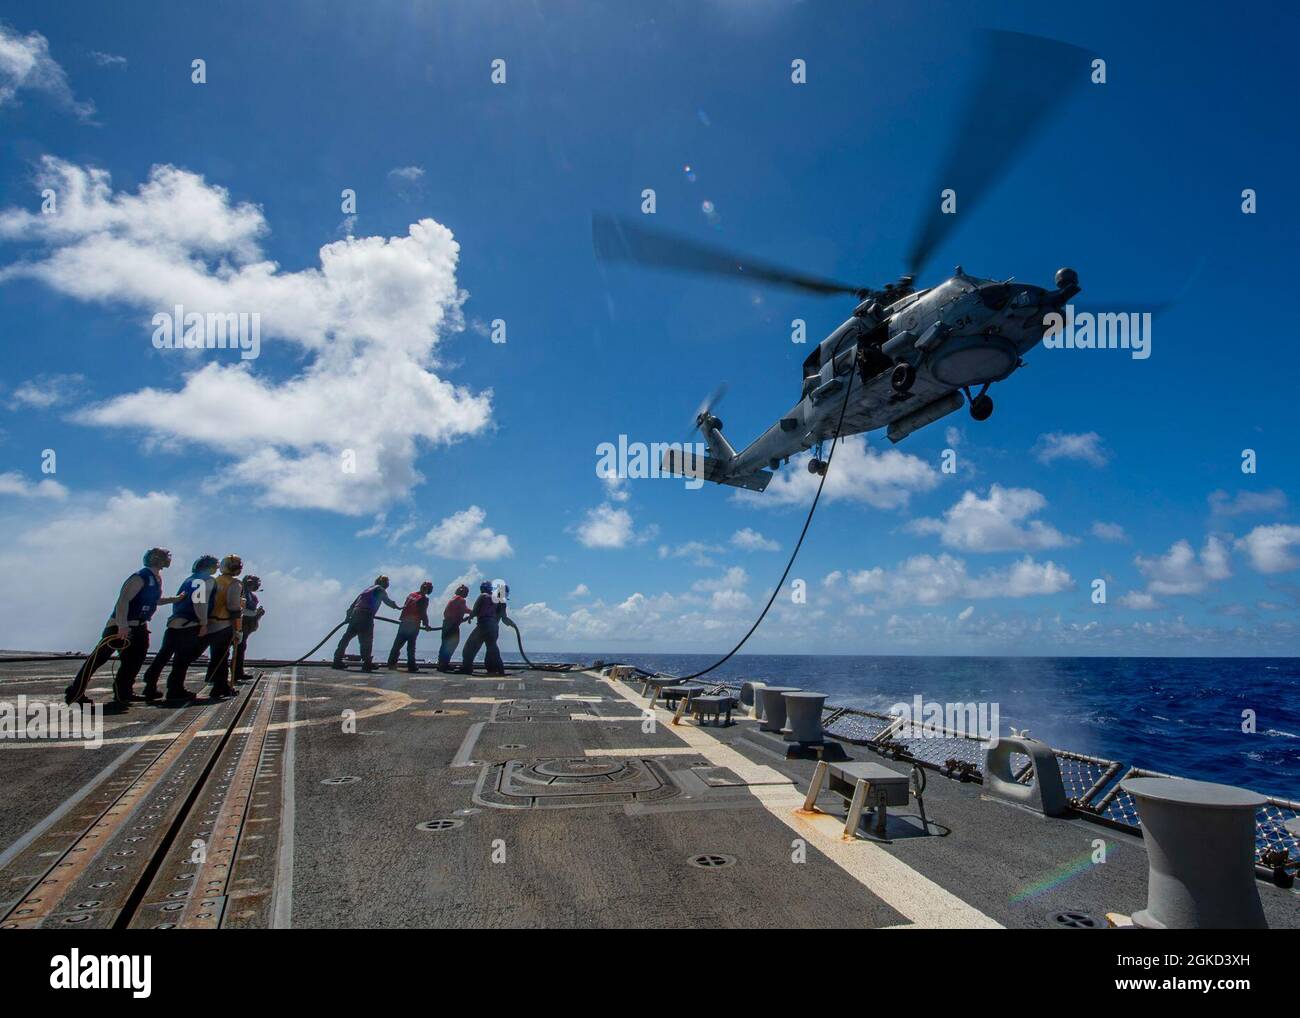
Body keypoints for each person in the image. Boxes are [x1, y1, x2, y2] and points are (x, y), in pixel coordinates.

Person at [64, 548, 182, 709]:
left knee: (133, 662)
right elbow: (123, 601)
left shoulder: (156, 578)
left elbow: (154, 601)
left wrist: (176, 599)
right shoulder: (139, 577)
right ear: (158, 559)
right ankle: (75, 693)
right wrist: (122, 626)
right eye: (166, 557)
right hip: (119, 628)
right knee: (97, 660)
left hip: (139, 627)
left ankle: (123, 692)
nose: (169, 559)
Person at [141, 554, 218, 703]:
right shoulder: (205, 581)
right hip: (189, 625)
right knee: (181, 659)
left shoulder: (191, 579)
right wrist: (203, 623)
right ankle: (175, 689)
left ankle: (150, 684)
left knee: (164, 655)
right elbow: (200, 602)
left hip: (175, 623)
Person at [199, 555, 243, 699]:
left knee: (215, 656)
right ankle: (220, 687)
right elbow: (234, 608)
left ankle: (214, 681)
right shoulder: (234, 584)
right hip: (223, 624)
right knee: (222, 657)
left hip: (208, 622)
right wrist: (238, 630)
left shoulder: (214, 580)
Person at [333, 575, 399, 671]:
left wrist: (348, 618)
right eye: (387, 582)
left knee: (346, 638)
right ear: (383, 583)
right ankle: (367, 663)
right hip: (366, 616)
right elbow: (387, 601)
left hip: (355, 615)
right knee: (366, 641)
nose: (387, 584)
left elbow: (351, 606)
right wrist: (397, 607)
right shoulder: (380, 589)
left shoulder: (366, 590)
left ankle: (337, 661)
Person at [459, 581, 505, 677]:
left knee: (469, 648)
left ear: (483, 588)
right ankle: (498, 669)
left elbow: (476, 610)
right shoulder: (496, 599)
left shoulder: (483, 596)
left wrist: (470, 617)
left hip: (483, 625)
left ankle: (466, 668)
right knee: (492, 648)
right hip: (492, 626)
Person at [387, 581, 433, 673]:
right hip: (413, 624)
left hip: (404, 622)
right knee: (411, 646)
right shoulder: (423, 599)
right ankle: (411, 666)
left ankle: (391, 663)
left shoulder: (411, 595)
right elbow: (422, 612)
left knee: (397, 644)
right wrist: (426, 624)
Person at [232, 575, 265, 683]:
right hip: (239, 624)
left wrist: (257, 614)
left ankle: (238, 672)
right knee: (237, 648)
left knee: (241, 648)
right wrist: (255, 613)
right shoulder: (242, 593)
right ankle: (235, 673)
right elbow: (241, 609)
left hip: (246, 626)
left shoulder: (250, 595)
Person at [438, 584, 472, 672]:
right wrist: (474, 612)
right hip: (452, 626)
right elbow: (465, 610)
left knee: (445, 644)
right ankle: (443, 664)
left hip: (446, 624)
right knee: (452, 644)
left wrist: (462, 619)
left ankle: (442, 664)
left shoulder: (453, 599)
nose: (467, 594)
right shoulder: (460, 600)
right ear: (462, 591)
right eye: (466, 592)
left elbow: (456, 613)